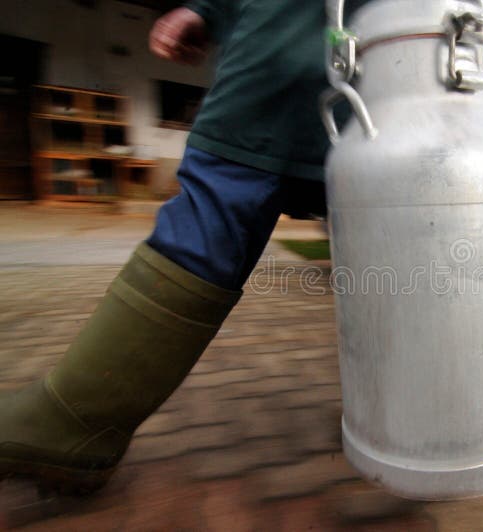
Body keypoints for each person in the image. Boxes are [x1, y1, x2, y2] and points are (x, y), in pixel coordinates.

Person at [0, 1, 361, 494]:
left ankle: (74, 421)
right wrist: (205, 9)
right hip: (348, 58)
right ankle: (397, 417)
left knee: (217, 205)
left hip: (298, 46)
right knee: (379, 233)